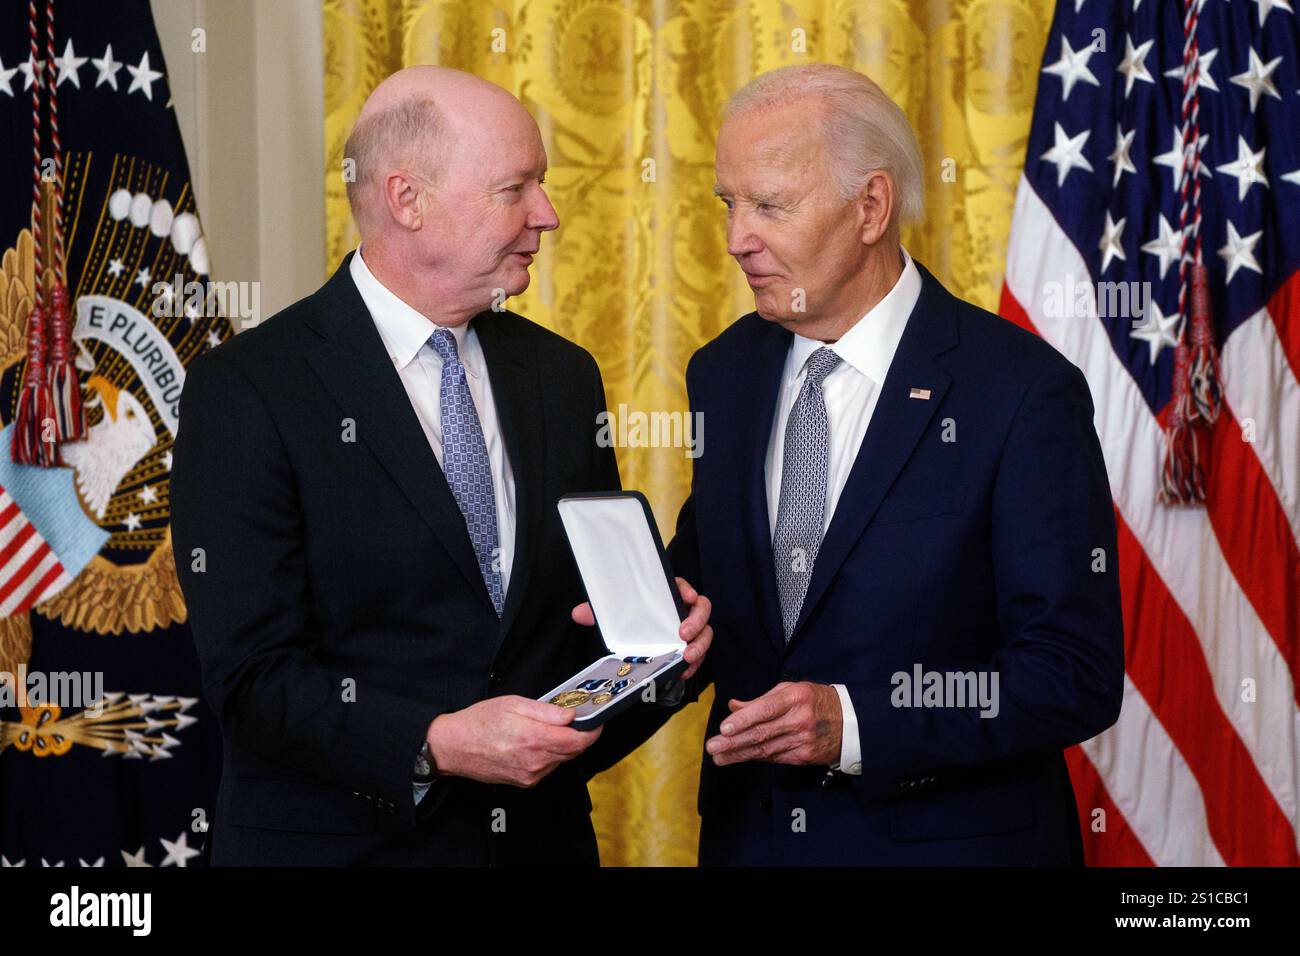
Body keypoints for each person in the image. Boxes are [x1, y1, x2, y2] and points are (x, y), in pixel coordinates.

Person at [170, 66, 711, 866]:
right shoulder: (249, 390)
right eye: (515, 188)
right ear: (406, 199)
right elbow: (251, 681)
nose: (547, 215)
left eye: (543, 185)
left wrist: (659, 660)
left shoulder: (562, 378)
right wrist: (435, 743)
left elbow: (568, 646)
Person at [666, 63, 1123, 865]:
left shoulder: (1020, 392)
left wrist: (855, 723)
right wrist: (652, 621)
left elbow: (1072, 673)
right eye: (728, 204)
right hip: (754, 844)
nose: (738, 237)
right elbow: (713, 589)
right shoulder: (723, 371)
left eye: (770, 205)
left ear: (870, 206)